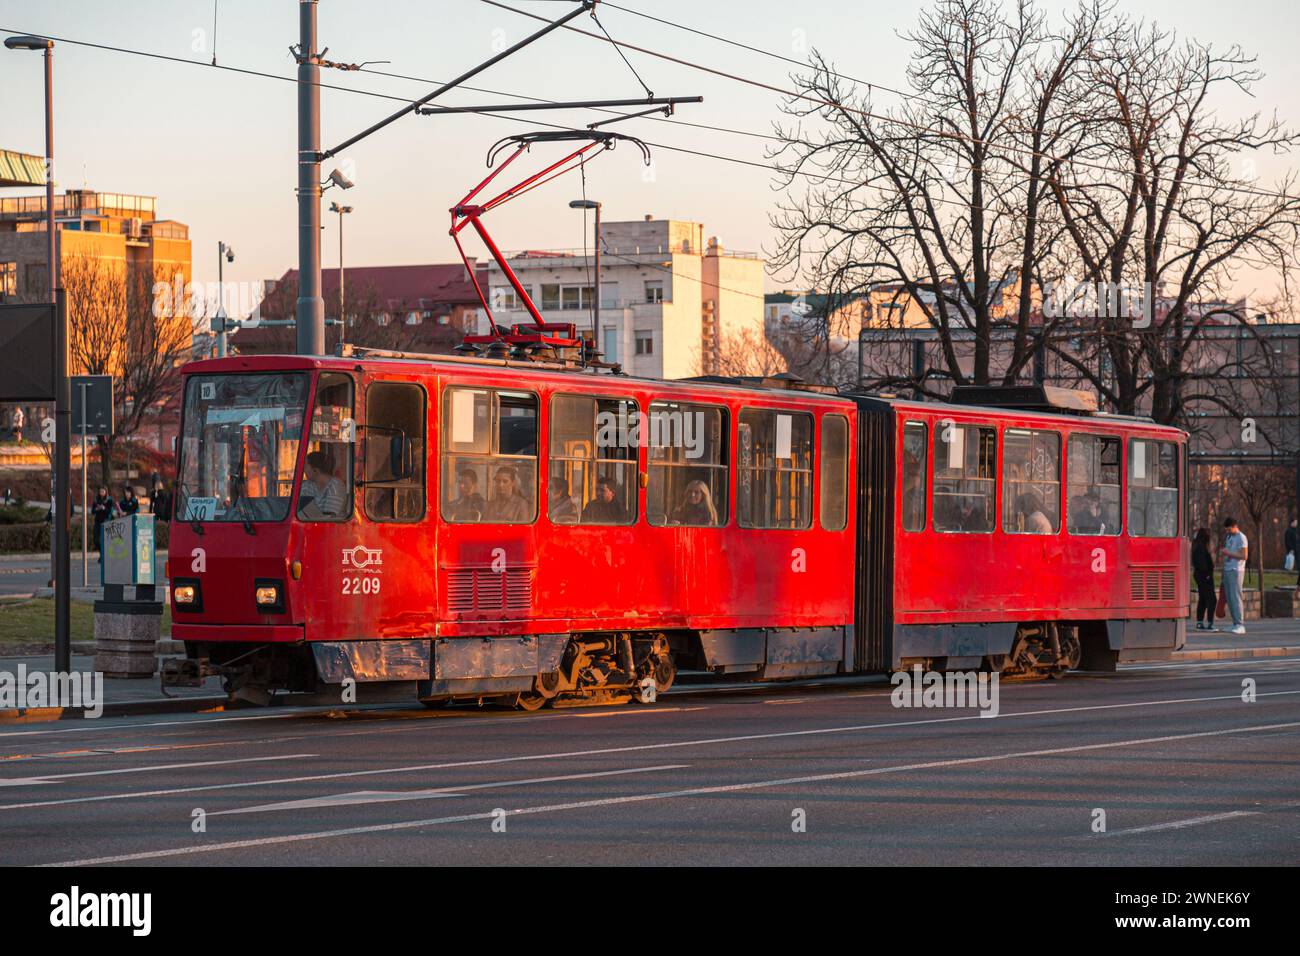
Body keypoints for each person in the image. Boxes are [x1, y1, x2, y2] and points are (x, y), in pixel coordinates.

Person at [1219, 517, 1248, 635]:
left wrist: (1228, 553)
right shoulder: (1230, 537)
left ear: (1234, 526)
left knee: (1236, 597)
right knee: (1230, 598)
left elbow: (1244, 555)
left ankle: (1240, 624)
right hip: (1227, 569)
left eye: (1228, 529)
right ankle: (1235, 623)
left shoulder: (1242, 537)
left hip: (1236, 570)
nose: (1227, 531)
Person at [298, 450, 345, 519]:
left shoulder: (335, 486)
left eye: (305, 467)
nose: (304, 470)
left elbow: (329, 518)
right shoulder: (306, 486)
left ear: (315, 470)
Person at [1192, 527, 1216, 631]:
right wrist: (1207, 575)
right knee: (1212, 600)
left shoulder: (1197, 546)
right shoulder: (1201, 548)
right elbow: (1203, 565)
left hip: (1199, 575)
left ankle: (1199, 623)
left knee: (1203, 599)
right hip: (1204, 576)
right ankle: (1210, 623)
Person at [91, 486, 117, 552]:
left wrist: (104, 508)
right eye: (100, 492)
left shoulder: (109, 500)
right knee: (96, 540)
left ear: (106, 492)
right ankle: (101, 553)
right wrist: (96, 509)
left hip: (106, 521)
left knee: (105, 540)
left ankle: (103, 555)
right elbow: (92, 511)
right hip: (98, 521)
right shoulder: (96, 500)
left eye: (103, 491)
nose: (101, 493)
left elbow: (111, 512)